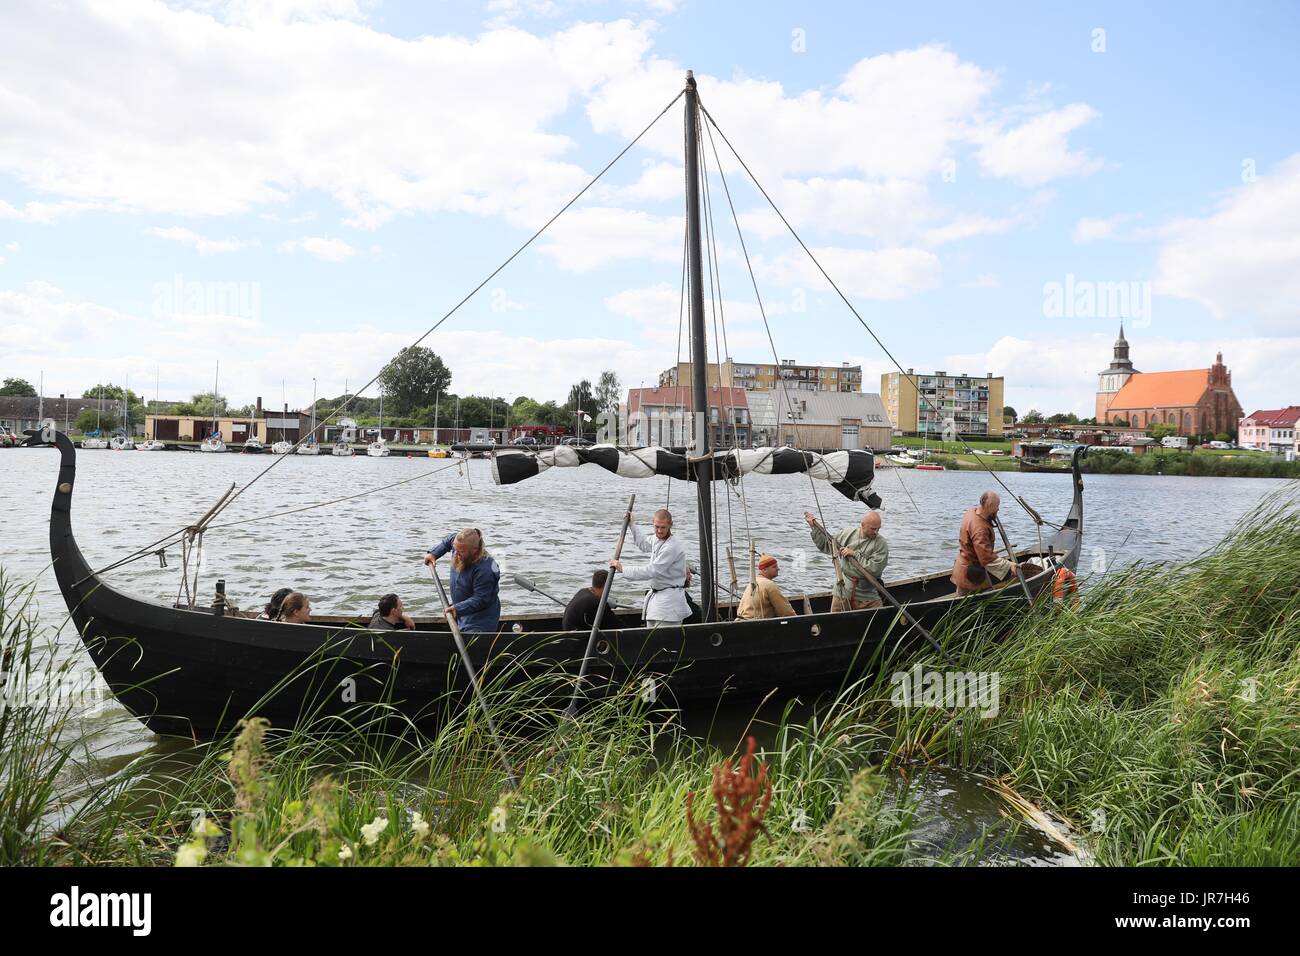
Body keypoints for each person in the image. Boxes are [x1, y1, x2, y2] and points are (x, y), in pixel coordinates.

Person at [610, 508, 690, 627]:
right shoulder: (656, 538)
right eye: (656, 526)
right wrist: (632, 524)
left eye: (663, 527)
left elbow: (652, 571)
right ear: (653, 523)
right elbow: (643, 544)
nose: (659, 530)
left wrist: (623, 569)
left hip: (669, 604)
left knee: (665, 643)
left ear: (670, 525)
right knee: (652, 641)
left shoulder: (671, 547)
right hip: (655, 602)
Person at [805, 510, 889, 611]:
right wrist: (814, 527)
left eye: (878, 529)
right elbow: (826, 545)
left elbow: (875, 569)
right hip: (843, 592)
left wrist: (855, 554)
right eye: (873, 529)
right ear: (862, 525)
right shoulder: (847, 534)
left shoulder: (881, 544)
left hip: (868, 596)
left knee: (880, 621)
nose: (876, 532)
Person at [423, 527, 502, 632]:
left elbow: (481, 599)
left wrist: (458, 609)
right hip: (461, 612)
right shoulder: (459, 544)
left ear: (475, 550)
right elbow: (449, 540)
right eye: (455, 549)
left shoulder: (486, 569)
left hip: (480, 620)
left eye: (461, 552)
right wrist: (434, 553)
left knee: (472, 645)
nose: (456, 554)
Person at [951, 491, 1015, 596]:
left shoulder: (972, 512)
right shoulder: (980, 529)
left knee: (966, 599)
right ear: (989, 505)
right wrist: (1009, 565)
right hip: (971, 574)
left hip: (964, 567)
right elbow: (986, 557)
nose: (998, 509)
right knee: (980, 601)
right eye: (997, 506)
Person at [737, 554, 797, 620]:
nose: (778, 569)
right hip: (754, 623)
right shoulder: (769, 584)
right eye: (774, 567)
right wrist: (798, 620)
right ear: (764, 569)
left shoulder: (753, 582)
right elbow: (785, 611)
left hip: (741, 619)